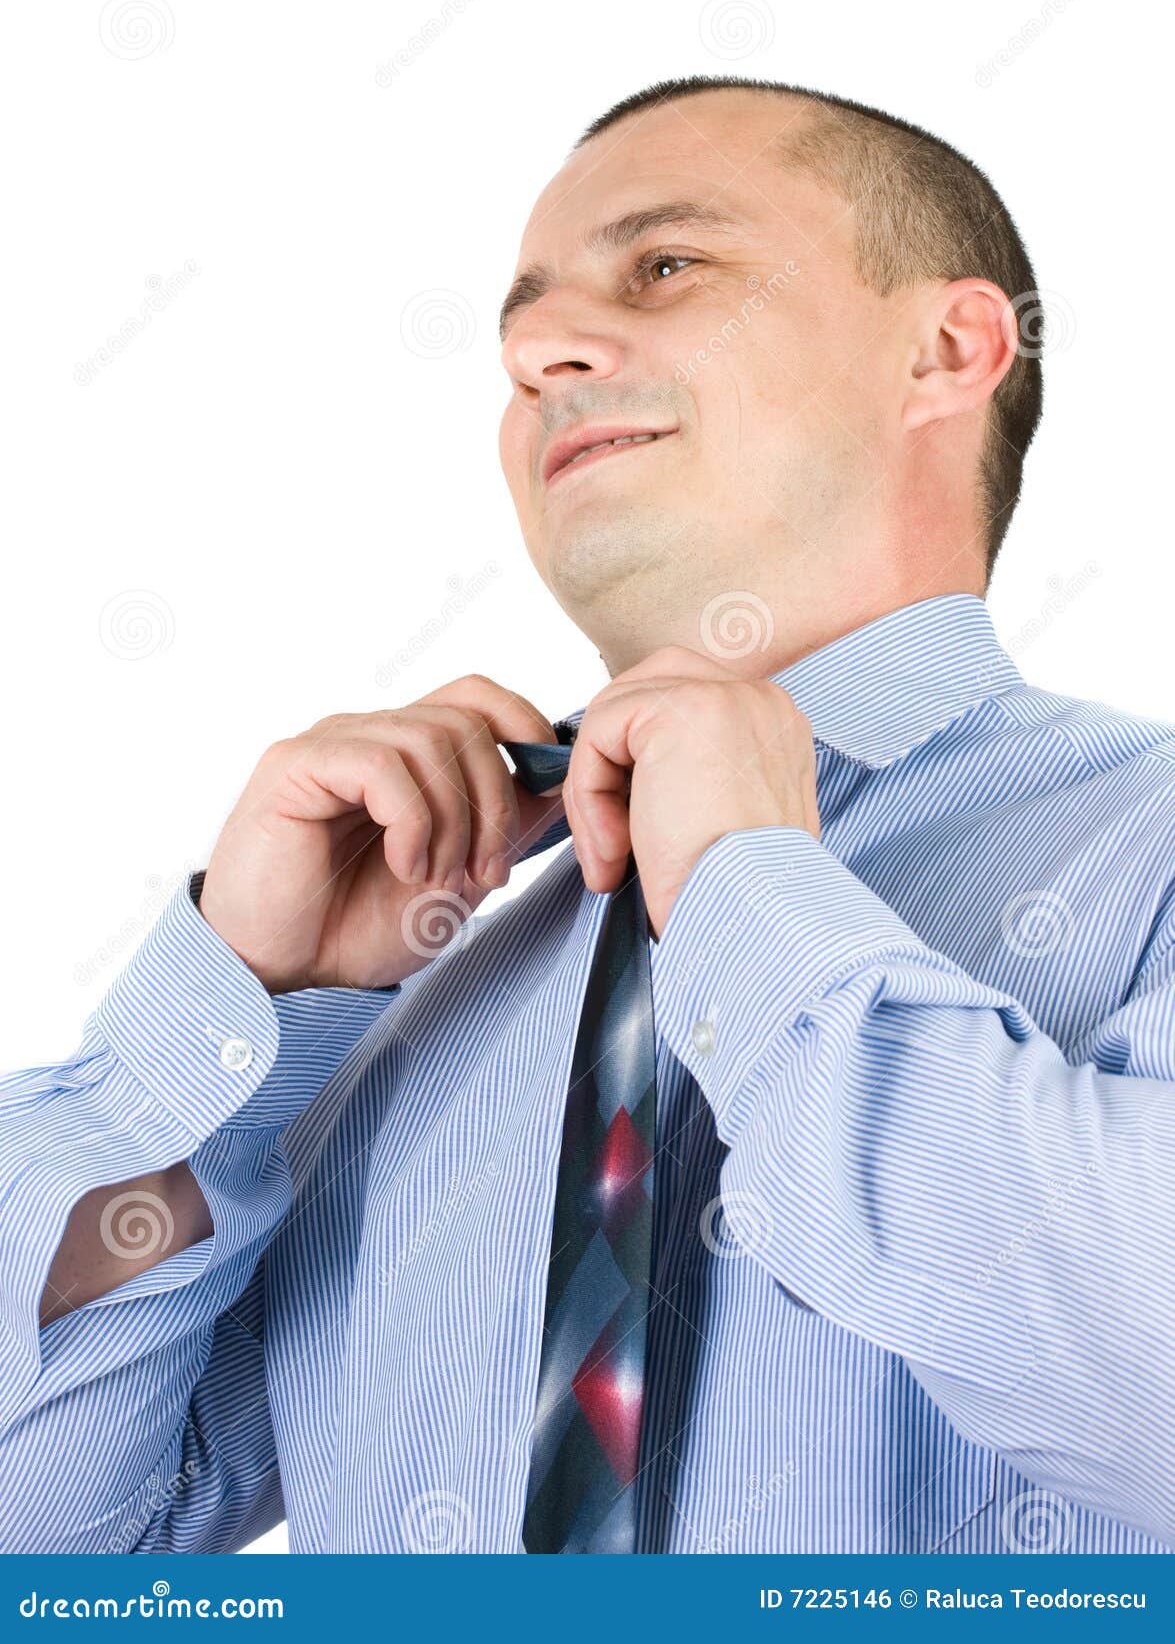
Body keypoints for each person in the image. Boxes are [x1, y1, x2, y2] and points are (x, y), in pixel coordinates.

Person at [2, 75, 1172, 1555]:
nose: (539, 353)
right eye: (520, 333)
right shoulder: (390, 1029)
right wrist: (231, 1016)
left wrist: (754, 896)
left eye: (666, 266)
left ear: (949, 348)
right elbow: (42, 1550)